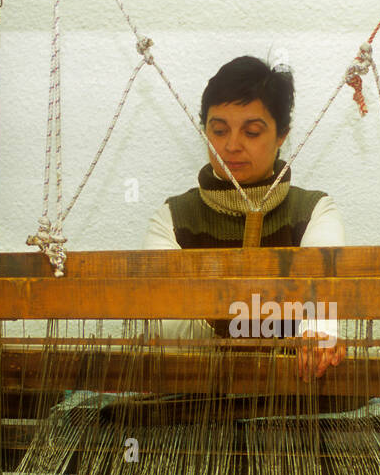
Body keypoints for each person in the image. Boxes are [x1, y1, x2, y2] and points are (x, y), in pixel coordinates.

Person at [144, 55, 346, 380]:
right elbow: (168, 326)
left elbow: (319, 301)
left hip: (292, 400)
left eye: (251, 132)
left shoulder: (313, 212)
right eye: (219, 130)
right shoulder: (173, 219)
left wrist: (317, 336)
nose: (232, 145)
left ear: (282, 136)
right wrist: (244, 366)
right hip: (197, 399)